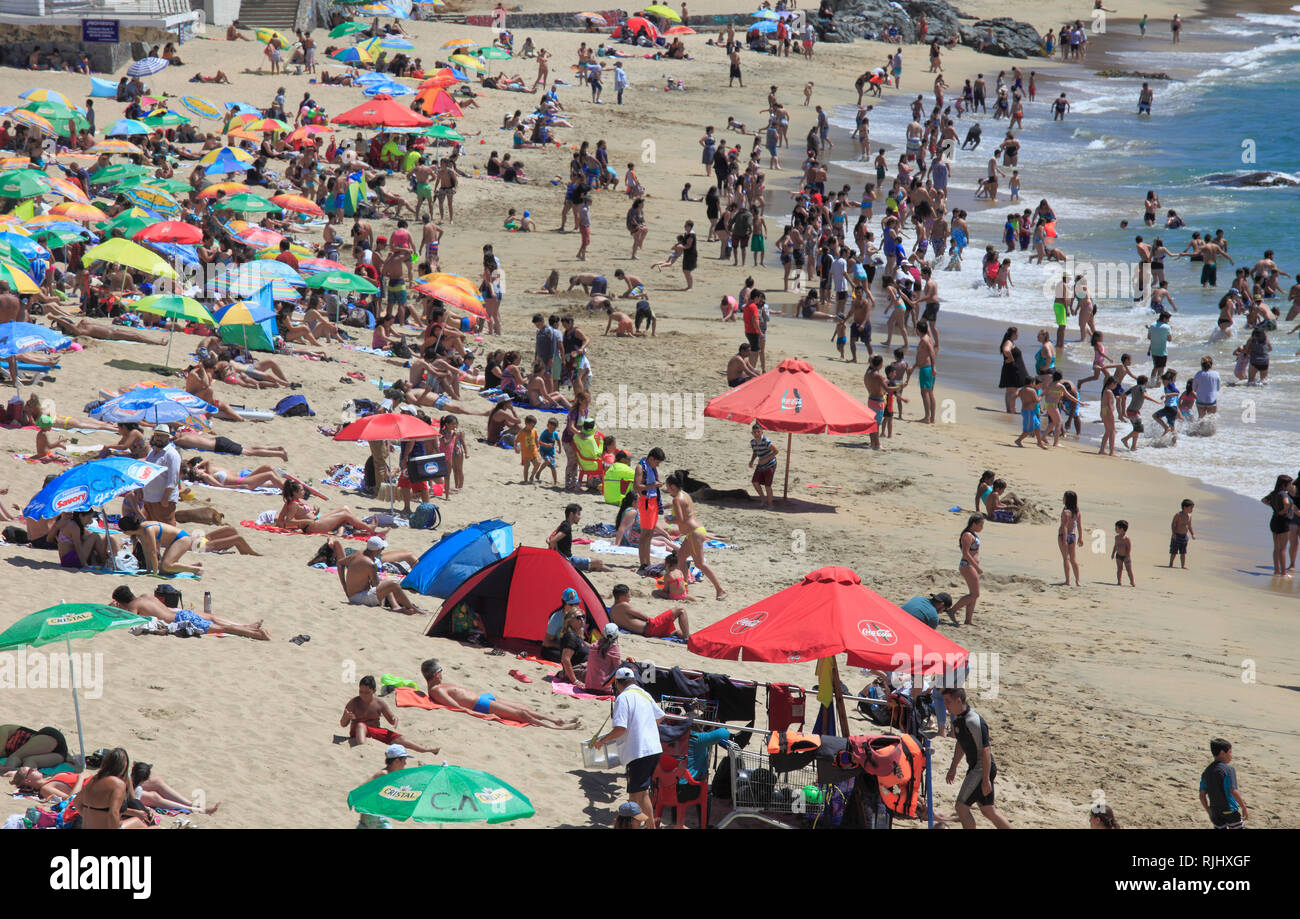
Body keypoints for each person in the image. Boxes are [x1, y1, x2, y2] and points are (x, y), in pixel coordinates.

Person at [591, 667, 666, 827]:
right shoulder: (643, 693)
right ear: (633, 680)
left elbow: (620, 728)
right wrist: (643, 728)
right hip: (654, 749)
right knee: (643, 793)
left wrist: (602, 740)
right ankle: (651, 826)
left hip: (638, 752)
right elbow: (660, 716)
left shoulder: (623, 698)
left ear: (618, 683)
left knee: (633, 799)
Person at [420, 659, 580, 729]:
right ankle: (555, 727)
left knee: (524, 707)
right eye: (440, 670)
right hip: (480, 704)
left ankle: (557, 720)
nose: (442, 673)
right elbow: (453, 705)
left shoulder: (438, 686)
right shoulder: (436, 690)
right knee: (522, 714)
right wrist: (473, 713)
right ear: (435, 674)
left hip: (484, 698)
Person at [942, 688, 1012, 829]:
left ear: (959, 700)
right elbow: (961, 744)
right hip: (976, 768)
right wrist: (953, 767)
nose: (945, 705)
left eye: (948, 701)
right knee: (988, 811)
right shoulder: (958, 719)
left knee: (961, 807)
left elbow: (985, 751)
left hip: (982, 769)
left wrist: (985, 779)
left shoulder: (973, 721)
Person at [109, 585, 270, 640]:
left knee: (222, 629)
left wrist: (114, 609)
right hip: (183, 613)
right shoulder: (144, 597)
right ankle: (250, 627)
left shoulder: (133, 606)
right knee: (215, 622)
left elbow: (129, 621)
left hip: (180, 620)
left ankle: (254, 633)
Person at [664, 473, 726, 600]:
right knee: (681, 557)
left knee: (700, 563)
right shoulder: (684, 494)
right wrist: (669, 507)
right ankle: (684, 588)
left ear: (673, 486)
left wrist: (669, 520)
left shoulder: (676, 499)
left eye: (667, 486)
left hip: (694, 533)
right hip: (697, 530)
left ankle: (720, 590)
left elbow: (680, 519)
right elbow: (685, 509)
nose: (667, 489)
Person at [342, 675, 437, 751]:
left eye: (366, 692)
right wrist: (346, 717)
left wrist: (395, 720)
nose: (363, 695)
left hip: (375, 731)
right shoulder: (354, 702)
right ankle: (363, 748)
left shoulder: (379, 703)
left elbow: (391, 719)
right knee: (360, 725)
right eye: (361, 691)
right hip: (358, 732)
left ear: (374, 691)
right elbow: (343, 724)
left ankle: (425, 750)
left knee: (398, 738)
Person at [339, 536, 423, 613]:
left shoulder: (358, 554)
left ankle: (395, 606)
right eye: (382, 549)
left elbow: (340, 563)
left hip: (352, 596)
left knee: (387, 582)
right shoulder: (370, 564)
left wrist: (344, 586)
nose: (381, 551)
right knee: (393, 585)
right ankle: (412, 608)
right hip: (359, 598)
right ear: (376, 550)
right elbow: (375, 584)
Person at [608, 583, 690, 639]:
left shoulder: (611, 611)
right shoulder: (623, 605)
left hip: (645, 633)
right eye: (628, 595)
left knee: (677, 632)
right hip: (651, 628)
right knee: (680, 609)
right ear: (623, 596)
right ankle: (687, 638)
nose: (629, 597)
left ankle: (683, 635)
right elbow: (645, 617)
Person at [1198, 737, 1246, 829]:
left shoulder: (1206, 771)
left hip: (1215, 811)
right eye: (1230, 752)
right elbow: (1233, 791)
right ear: (1222, 753)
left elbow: (1202, 795)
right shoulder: (1228, 770)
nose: (1231, 755)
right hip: (1229, 810)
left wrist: (1208, 810)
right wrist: (1243, 807)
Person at [548, 503, 610, 572]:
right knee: (599, 563)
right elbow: (552, 541)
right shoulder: (567, 527)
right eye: (578, 514)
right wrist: (556, 554)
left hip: (565, 559)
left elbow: (549, 538)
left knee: (596, 564)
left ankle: (613, 572)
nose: (579, 517)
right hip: (568, 560)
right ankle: (615, 572)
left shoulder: (564, 523)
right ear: (571, 514)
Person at [949, 515, 985, 625]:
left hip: (971, 565)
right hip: (967, 565)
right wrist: (977, 567)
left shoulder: (973, 535)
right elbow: (966, 553)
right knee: (975, 594)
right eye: (980, 525)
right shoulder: (967, 535)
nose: (982, 527)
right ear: (973, 524)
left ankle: (968, 620)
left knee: (973, 594)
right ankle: (952, 610)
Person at [142, 427, 182, 527]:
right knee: (151, 527)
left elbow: (173, 479)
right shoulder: (152, 452)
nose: (159, 438)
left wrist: (165, 498)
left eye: (162, 436)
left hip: (162, 499)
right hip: (149, 497)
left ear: (168, 438)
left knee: (166, 527)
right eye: (157, 435)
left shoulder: (172, 454)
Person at [748, 422, 778, 507]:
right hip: (761, 464)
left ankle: (770, 504)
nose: (756, 434)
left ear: (762, 432)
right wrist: (752, 461)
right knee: (755, 481)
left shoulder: (766, 441)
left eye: (758, 432)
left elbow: (776, 451)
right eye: (755, 432)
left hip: (770, 464)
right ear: (752, 433)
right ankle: (763, 500)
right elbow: (755, 452)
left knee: (767, 485)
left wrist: (765, 459)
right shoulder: (753, 442)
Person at [1169, 498, 1195, 568]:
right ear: (1184, 507)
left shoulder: (1189, 516)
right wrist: (1173, 533)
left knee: (1183, 552)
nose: (1192, 510)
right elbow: (1173, 524)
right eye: (1191, 508)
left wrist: (1192, 534)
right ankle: (1171, 563)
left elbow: (1189, 526)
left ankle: (1183, 565)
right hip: (1176, 535)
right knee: (1173, 552)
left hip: (1184, 537)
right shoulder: (1178, 515)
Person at [1112, 520, 1134, 586]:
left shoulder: (1127, 539)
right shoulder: (1116, 537)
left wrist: (1127, 556)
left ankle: (1132, 581)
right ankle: (1119, 581)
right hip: (1118, 555)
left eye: (1116, 528)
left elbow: (1129, 548)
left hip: (1126, 556)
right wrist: (1113, 553)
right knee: (1119, 569)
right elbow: (1115, 546)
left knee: (1129, 570)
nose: (1115, 529)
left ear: (1121, 529)